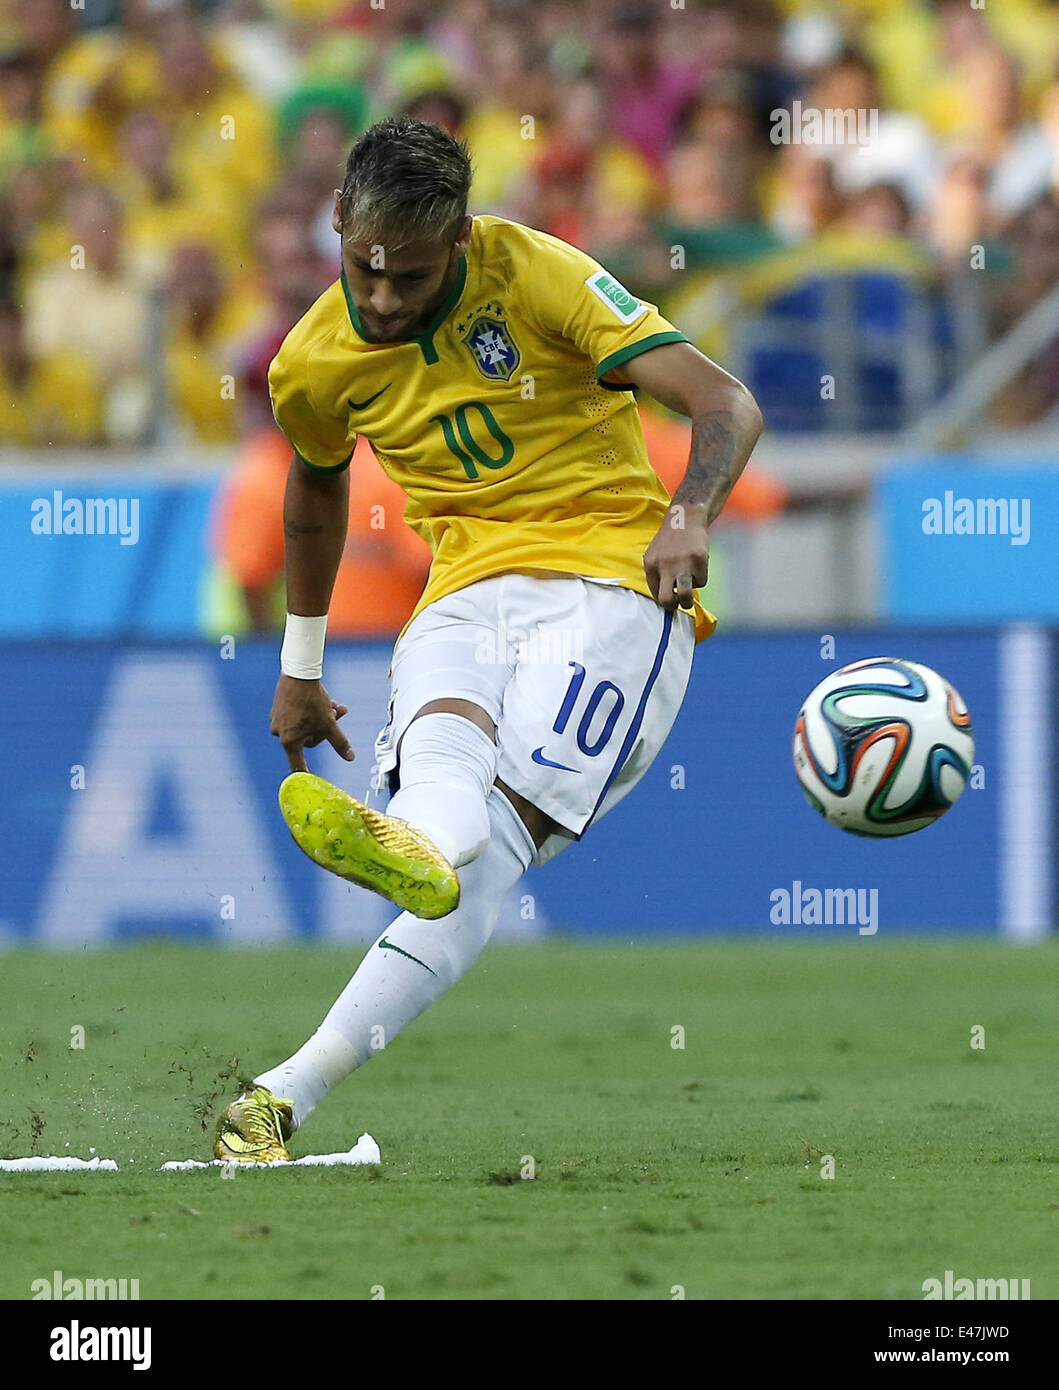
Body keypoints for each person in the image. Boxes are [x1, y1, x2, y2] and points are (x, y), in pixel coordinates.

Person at [213, 116, 763, 1163]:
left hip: (610, 585)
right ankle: (282, 1086)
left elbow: (724, 404)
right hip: (462, 586)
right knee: (452, 784)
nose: (380, 298)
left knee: (495, 833)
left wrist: (689, 511)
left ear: (460, 239)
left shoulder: (540, 274)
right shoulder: (311, 362)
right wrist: (299, 663)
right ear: (337, 222)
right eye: (363, 270)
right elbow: (314, 490)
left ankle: (306, 1058)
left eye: (410, 279)